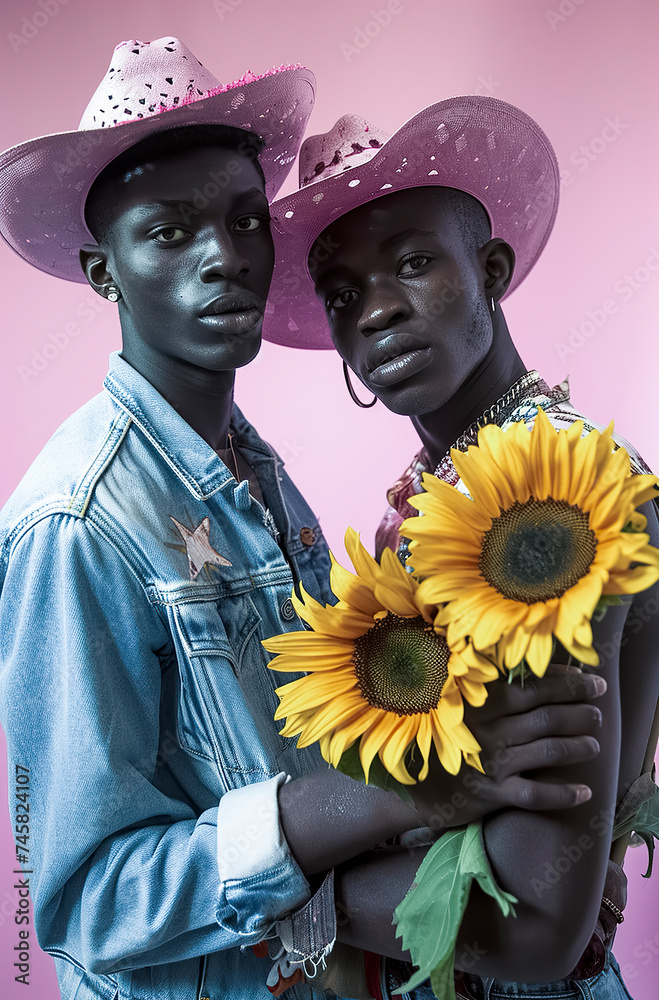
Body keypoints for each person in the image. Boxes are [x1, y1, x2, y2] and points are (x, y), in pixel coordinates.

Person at [0, 47, 611, 1000]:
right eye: (168, 231)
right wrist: (410, 794)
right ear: (101, 272)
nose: (224, 255)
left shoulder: (266, 483)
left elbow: (337, 763)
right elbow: (87, 907)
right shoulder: (75, 522)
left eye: (245, 219)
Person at [264, 99, 659, 997]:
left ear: (489, 271)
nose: (374, 312)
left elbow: (530, 926)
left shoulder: (542, 498)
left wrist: (277, 896)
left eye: (411, 263)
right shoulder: (462, 481)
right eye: (342, 295)